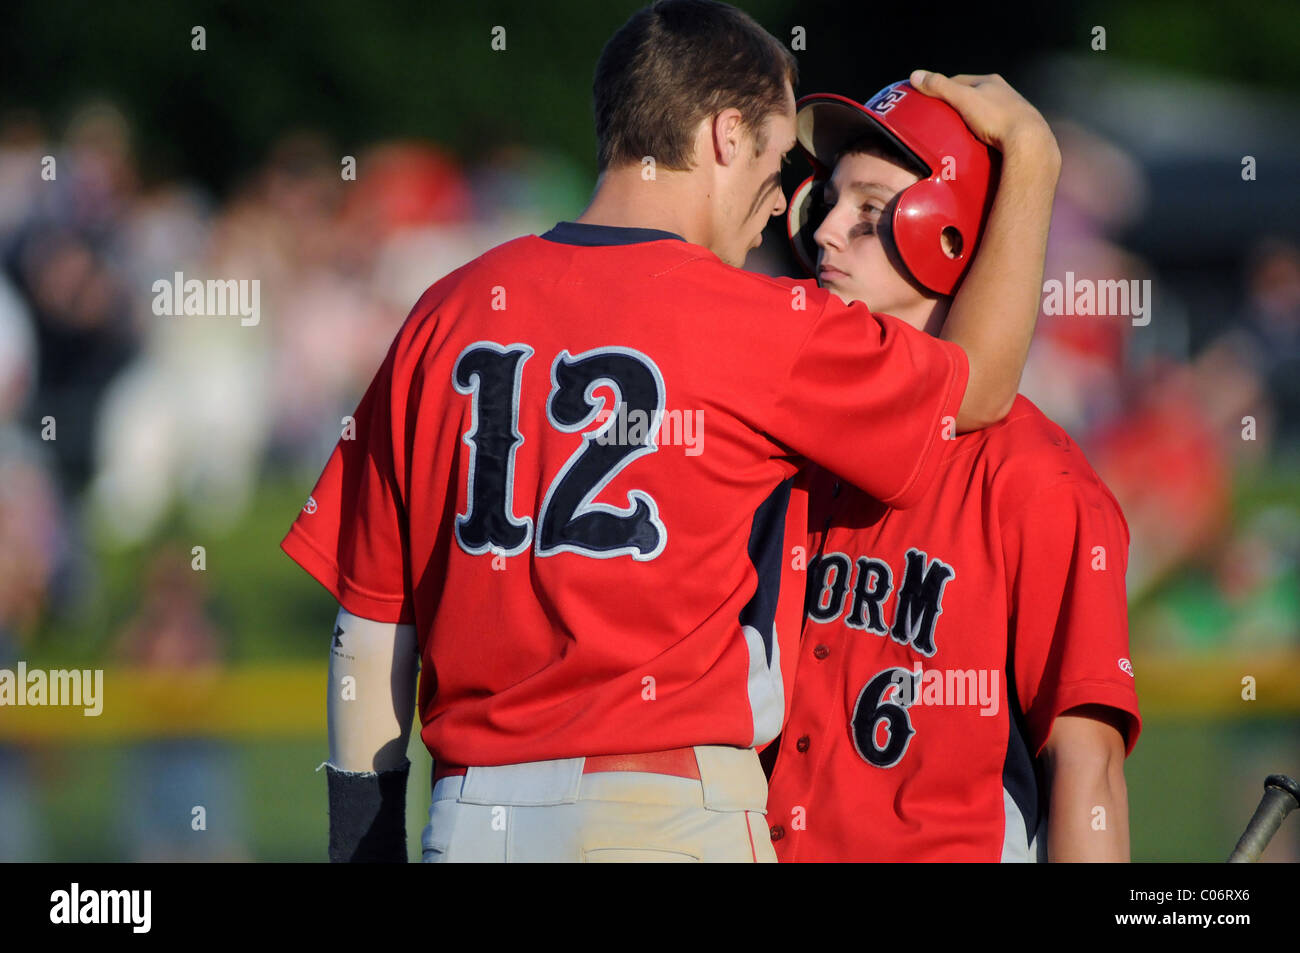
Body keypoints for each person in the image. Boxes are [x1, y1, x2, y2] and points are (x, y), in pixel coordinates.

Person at [281, 0, 1060, 863]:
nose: (783, 203)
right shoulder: (759, 322)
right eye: (778, 155)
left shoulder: (446, 311)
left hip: (473, 818)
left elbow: (370, 629)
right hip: (664, 813)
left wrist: (364, 850)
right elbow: (979, 388)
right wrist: (1032, 158)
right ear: (727, 135)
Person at [764, 78, 1140, 861]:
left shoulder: (1039, 481)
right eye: (828, 201)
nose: (825, 231)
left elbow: (1088, 767)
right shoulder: (785, 444)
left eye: (869, 211)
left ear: (954, 234)